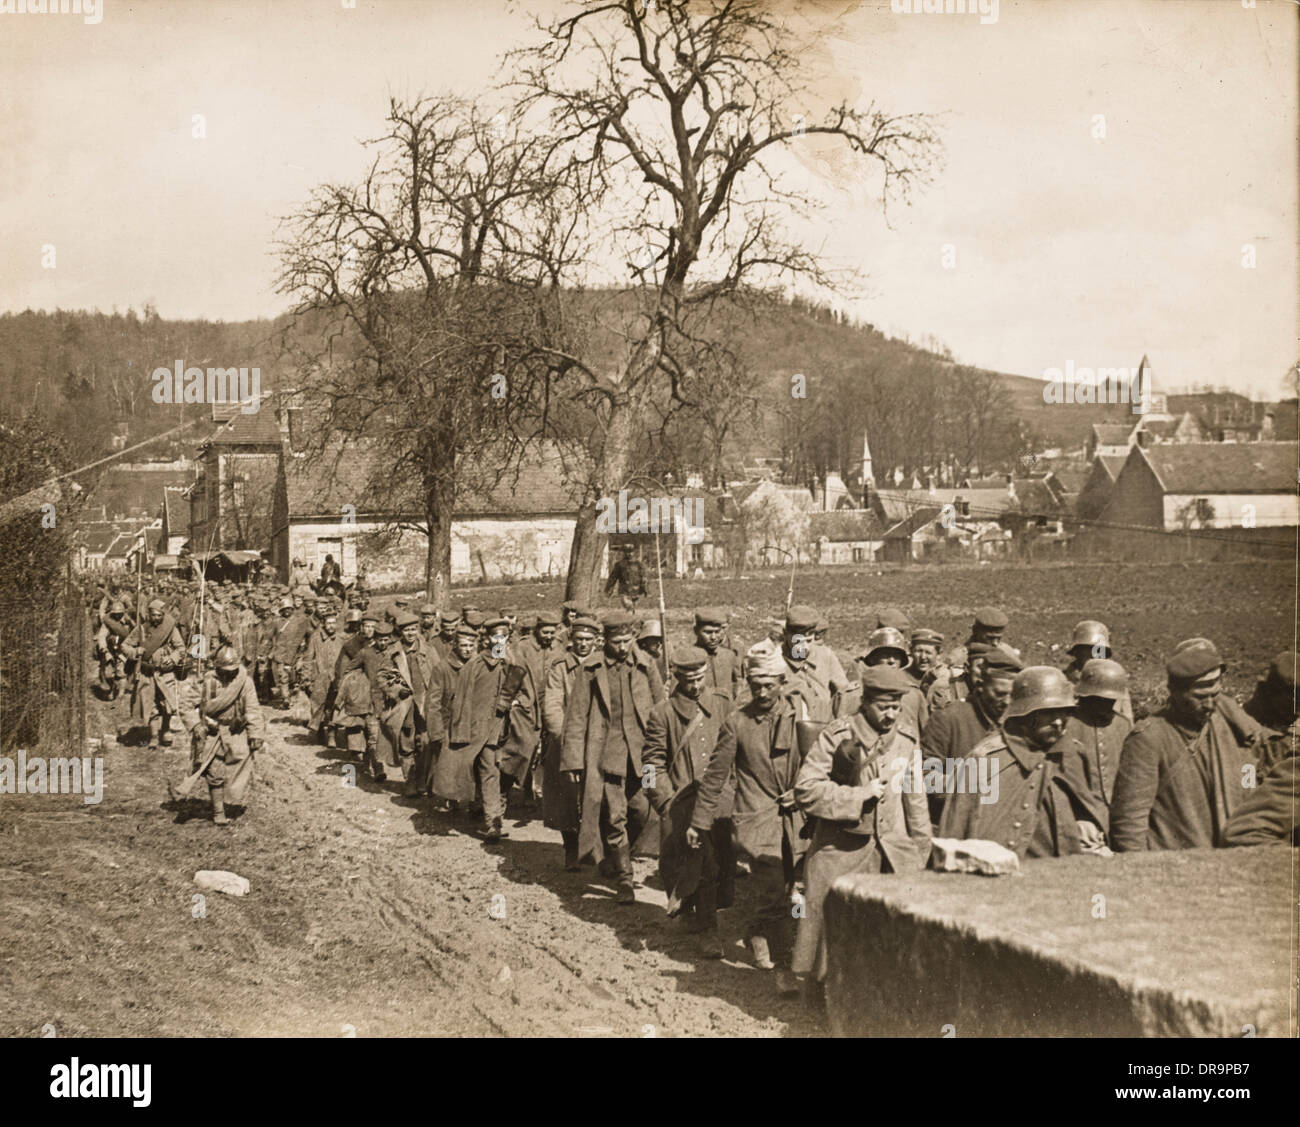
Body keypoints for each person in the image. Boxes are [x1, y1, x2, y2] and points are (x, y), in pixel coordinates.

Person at [792, 665, 931, 991]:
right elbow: (806, 790)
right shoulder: (838, 737)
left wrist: (922, 850)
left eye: (897, 706)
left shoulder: (906, 737)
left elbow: (916, 798)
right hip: (841, 851)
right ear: (865, 701)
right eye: (884, 706)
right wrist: (858, 795)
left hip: (892, 851)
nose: (891, 714)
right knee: (834, 936)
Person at [691, 640, 804, 979]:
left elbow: (818, 764)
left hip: (799, 817)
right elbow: (715, 776)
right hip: (756, 816)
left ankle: (757, 929)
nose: (764, 691)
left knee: (790, 888)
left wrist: (802, 791)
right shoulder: (737, 723)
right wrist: (699, 822)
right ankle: (786, 968)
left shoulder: (802, 717)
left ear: (782, 683)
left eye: (770, 685)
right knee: (772, 889)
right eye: (757, 686)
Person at [1110, 639, 1268, 851]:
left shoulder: (1233, 730)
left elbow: (1248, 777)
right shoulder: (1148, 739)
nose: (1211, 705)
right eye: (1200, 698)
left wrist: (1245, 786)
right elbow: (1129, 823)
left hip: (1231, 858)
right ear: (1176, 693)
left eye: (1215, 694)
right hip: (1175, 866)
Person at [939, 667, 1108, 859]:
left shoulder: (1073, 754)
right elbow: (955, 833)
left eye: (1064, 713)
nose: (1058, 722)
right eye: (1048, 713)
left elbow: (1088, 810)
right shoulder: (984, 760)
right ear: (1024, 713)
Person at [561, 609, 666, 902]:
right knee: (615, 814)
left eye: (627, 640)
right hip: (607, 755)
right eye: (616, 641)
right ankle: (625, 878)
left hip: (643, 756)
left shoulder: (647, 666)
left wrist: (666, 748)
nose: (622, 647)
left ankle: (614, 854)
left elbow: (661, 708)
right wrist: (572, 759)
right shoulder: (591, 669)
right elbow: (577, 716)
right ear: (604, 640)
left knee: (642, 811)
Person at [643, 647, 735, 958]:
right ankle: (706, 929)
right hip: (681, 800)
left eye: (699, 678)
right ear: (677, 678)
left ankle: (699, 913)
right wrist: (663, 800)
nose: (695, 686)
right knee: (700, 862)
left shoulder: (722, 703)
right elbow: (649, 765)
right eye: (688, 679)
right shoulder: (662, 713)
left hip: (719, 799)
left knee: (717, 863)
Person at [920, 647, 1021, 825]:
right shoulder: (948, 719)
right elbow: (927, 778)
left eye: (1012, 696)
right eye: (998, 694)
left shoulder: (1016, 724)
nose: (1006, 702)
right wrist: (972, 785)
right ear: (981, 686)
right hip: (954, 826)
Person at [435, 618, 512, 842]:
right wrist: (461, 731)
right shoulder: (475, 665)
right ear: (487, 640)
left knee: (490, 771)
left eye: (503, 638)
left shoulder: (509, 661)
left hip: (495, 730)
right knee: (469, 769)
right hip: (474, 728)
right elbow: (461, 701)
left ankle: (493, 823)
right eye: (495, 638)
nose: (499, 643)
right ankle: (474, 809)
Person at [180, 644, 265, 826]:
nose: (229, 674)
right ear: (217, 667)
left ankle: (232, 800)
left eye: (233, 670)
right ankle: (218, 811)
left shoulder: (244, 682)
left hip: (236, 730)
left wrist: (255, 733)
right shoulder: (206, 681)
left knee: (241, 763)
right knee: (213, 770)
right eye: (225, 670)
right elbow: (185, 705)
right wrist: (195, 724)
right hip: (211, 731)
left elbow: (253, 708)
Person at [540, 614, 600, 869]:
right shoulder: (560, 666)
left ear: (596, 641)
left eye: (588, 639)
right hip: (566, 740)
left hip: (597, 741)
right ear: (571, 641)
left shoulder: (602, 665)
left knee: (597, 796)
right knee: (567, 796)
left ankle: (597, 848)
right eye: (579, 640)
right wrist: (566, 738)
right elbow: (552, 705)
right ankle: (570, 848)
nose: (583, 644)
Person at [1058, 659, 1133, 835]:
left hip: (1116, 813)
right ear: (1087, 696)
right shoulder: (1066, 724)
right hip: (1080, 816)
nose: (1108, 704)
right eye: (1102, 699)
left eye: (1112, 699)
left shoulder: (1122, 725)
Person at [499, 609, 563, 806]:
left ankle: (536, 795)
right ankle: (501, 795)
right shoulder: (523, 647)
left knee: (550, 754)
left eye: (552, 632)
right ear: (537, 630)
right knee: (522, 750)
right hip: (527, 706)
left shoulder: (559, 647)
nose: (549, 637)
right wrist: (510, 699)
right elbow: (513, 674)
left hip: (551, 705)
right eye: (545, 632)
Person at [122, 597, 186, 751]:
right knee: (150, 705)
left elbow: (181, 648)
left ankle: (166, 729)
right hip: (147, 673)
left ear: (163, 615)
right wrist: (135, 651)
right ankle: (154, 736)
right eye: (153, 615)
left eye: (159, 615)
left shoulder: (170, 629)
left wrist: (172, 658)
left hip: (165, 673)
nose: (156, 618)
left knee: (167, 704)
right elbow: (125, 645)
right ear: (149, 615)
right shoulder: (141, 629)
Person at [1061, 621, 1133, 721]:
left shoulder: (1115, 683)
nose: (1095, 654)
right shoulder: (1061, 682)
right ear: (1076, 651)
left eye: (1100, 650)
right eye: (1089, 649)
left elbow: (1127, 721)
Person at [299, 610, 343, 746]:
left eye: (334, 623)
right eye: (329, 623)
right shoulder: (315, 638)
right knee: (318, 706)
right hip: (319, 678)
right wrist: (306, 678)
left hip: (335, 679)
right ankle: (318, 733)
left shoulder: (341, 639)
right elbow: (307, 659)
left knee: (333, 707)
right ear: (323, 624)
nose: (331, 626)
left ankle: (331, 735)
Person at [693, 607, 742, 701]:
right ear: (696, 631)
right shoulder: (689, 657)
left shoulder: (729, 656)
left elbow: (737, 683)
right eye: (708, 632)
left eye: (717, 632)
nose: (713, 637)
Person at [95, 599, 132, 699]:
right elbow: (102, 636)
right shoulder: (108, 623)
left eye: (120, 614)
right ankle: (112, 690)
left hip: (123, 649)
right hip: (110, 649)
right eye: (115, 614)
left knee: (121, 671)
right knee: (110, 672)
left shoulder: (129, 622)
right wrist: (105, 650)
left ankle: (120, 694)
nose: (117, 616)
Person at [605, 545, 646, 611]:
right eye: (627, 552)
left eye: (631, 552)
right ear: (624, 553)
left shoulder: (638, 564)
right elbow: (613, 577)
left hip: (636, 590)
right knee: (629, 607)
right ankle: (630, 617)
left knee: (633, 608)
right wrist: (609, 588)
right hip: (624, 591)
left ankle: (632, 618)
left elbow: (643, 576)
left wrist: (645, 589)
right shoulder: (619, 565)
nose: (630, 554)